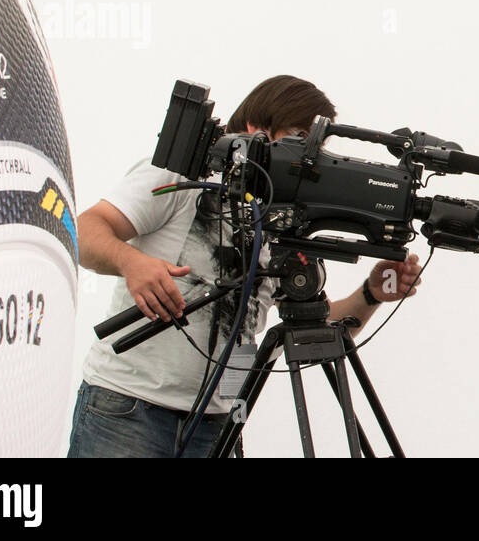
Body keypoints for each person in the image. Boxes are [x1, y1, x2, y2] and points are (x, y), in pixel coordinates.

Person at [67, 75, 423, 457]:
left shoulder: (284, 213)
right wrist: (131, 262)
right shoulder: (180, 174)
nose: (310, 155)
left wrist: (370, 294)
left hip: (216, 424)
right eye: (298, 136)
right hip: (128, 411)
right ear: (256, 128)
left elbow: (315, 325)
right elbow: (84, 231)